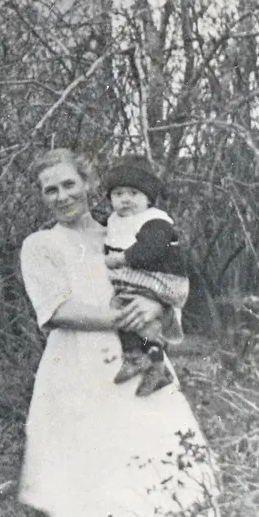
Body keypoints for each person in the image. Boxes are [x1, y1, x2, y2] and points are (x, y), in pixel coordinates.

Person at [18, 148, 220, 517]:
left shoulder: (127, 229)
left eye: (69, 184)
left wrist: (158, 302)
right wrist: (124, 317)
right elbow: (56, 310)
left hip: (141, 366)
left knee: (143, 471)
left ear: (89, 184)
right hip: (78, 373)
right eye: (50, 189)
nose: (61, 195)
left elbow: (173, 281)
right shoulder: (41, 245)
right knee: (93, 478)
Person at [102, 155, 190, 396]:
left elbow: (150, 249)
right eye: (118, 194)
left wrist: (121, 259)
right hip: (139, 282)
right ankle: (153, 362)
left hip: (162, 280)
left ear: (148, 198)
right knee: (131, 317)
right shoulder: (114, 221)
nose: (126, 200)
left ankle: (143, 358)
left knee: (127, 310)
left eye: (133, 193)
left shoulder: (155, 221)